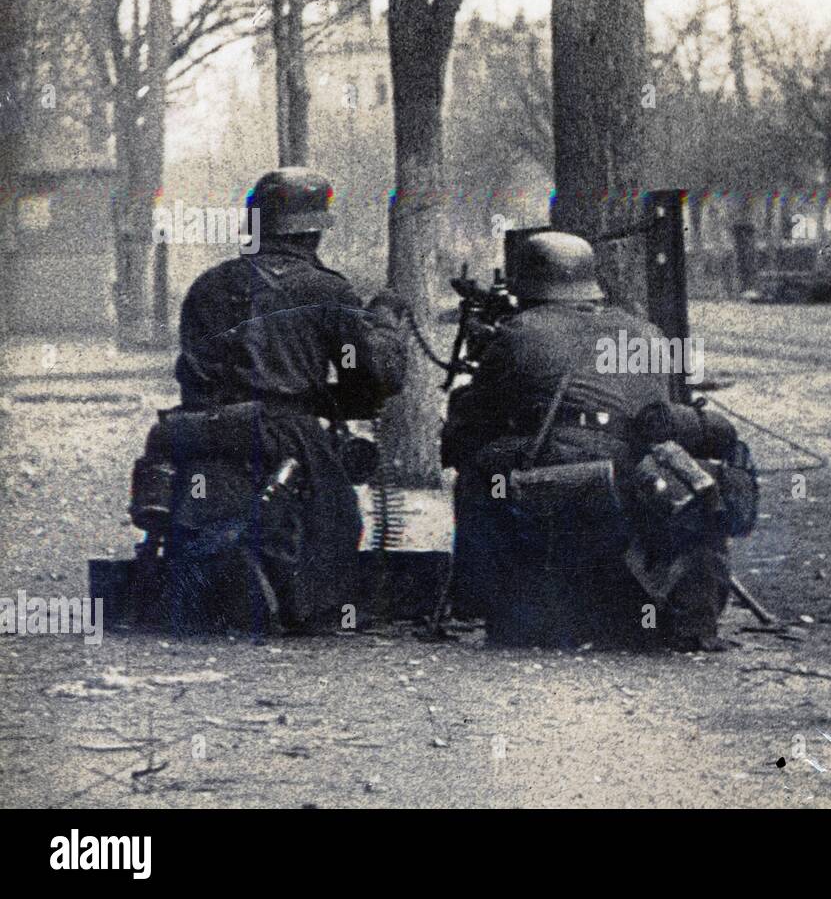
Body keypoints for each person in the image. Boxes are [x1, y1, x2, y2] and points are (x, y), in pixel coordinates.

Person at [131, 168, 408, 635]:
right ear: (313, 231)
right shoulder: (326, 291)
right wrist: (383, 327)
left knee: (197, 511)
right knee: (336, 524)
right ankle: (298, 601)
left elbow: (193, 372)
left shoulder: (207, 286)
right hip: (284, 432)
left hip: (203, 431)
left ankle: (216, 579)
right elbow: (371, 381)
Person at [441, 231, 732, 650]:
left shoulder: (519, 332)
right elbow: (661, 409)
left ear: (528, 283)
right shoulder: (645, 333)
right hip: (635, 472)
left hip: (559, 469)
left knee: (479, 468)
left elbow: (479, 418)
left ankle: (480, 601)